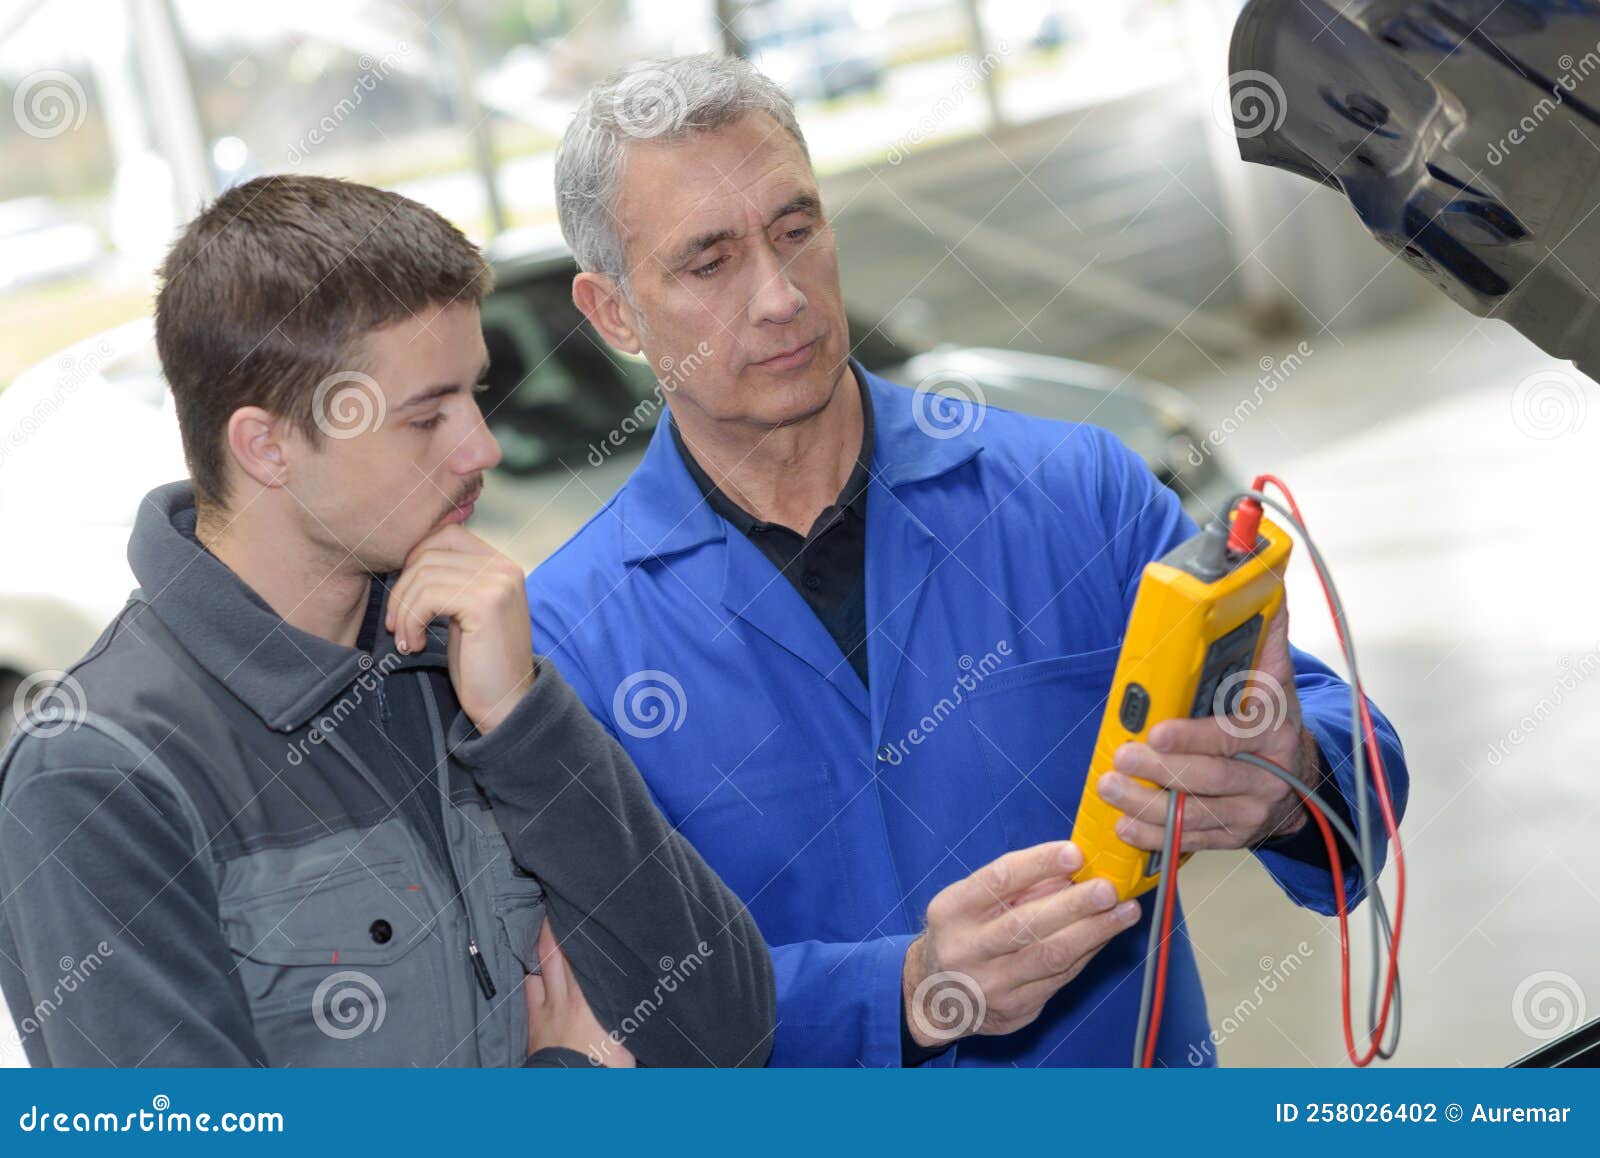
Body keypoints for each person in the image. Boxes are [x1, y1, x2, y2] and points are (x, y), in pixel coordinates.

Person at [525, 53, 1409, 1067]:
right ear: (614, 315)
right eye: (709, 262)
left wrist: (1288, 776)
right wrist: (894, 992)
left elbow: (1352, 757)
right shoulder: (564, 642)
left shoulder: (1075, 492)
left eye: (796, 230)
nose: (779, 295)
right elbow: (611, 1001)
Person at [0, 175, 774, 1068]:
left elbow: (729, 1034)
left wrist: (528, 725)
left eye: (474, 395)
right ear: (268, 446)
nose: (480, 445)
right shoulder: (99, 775)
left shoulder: (473, 665)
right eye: (426, 416)